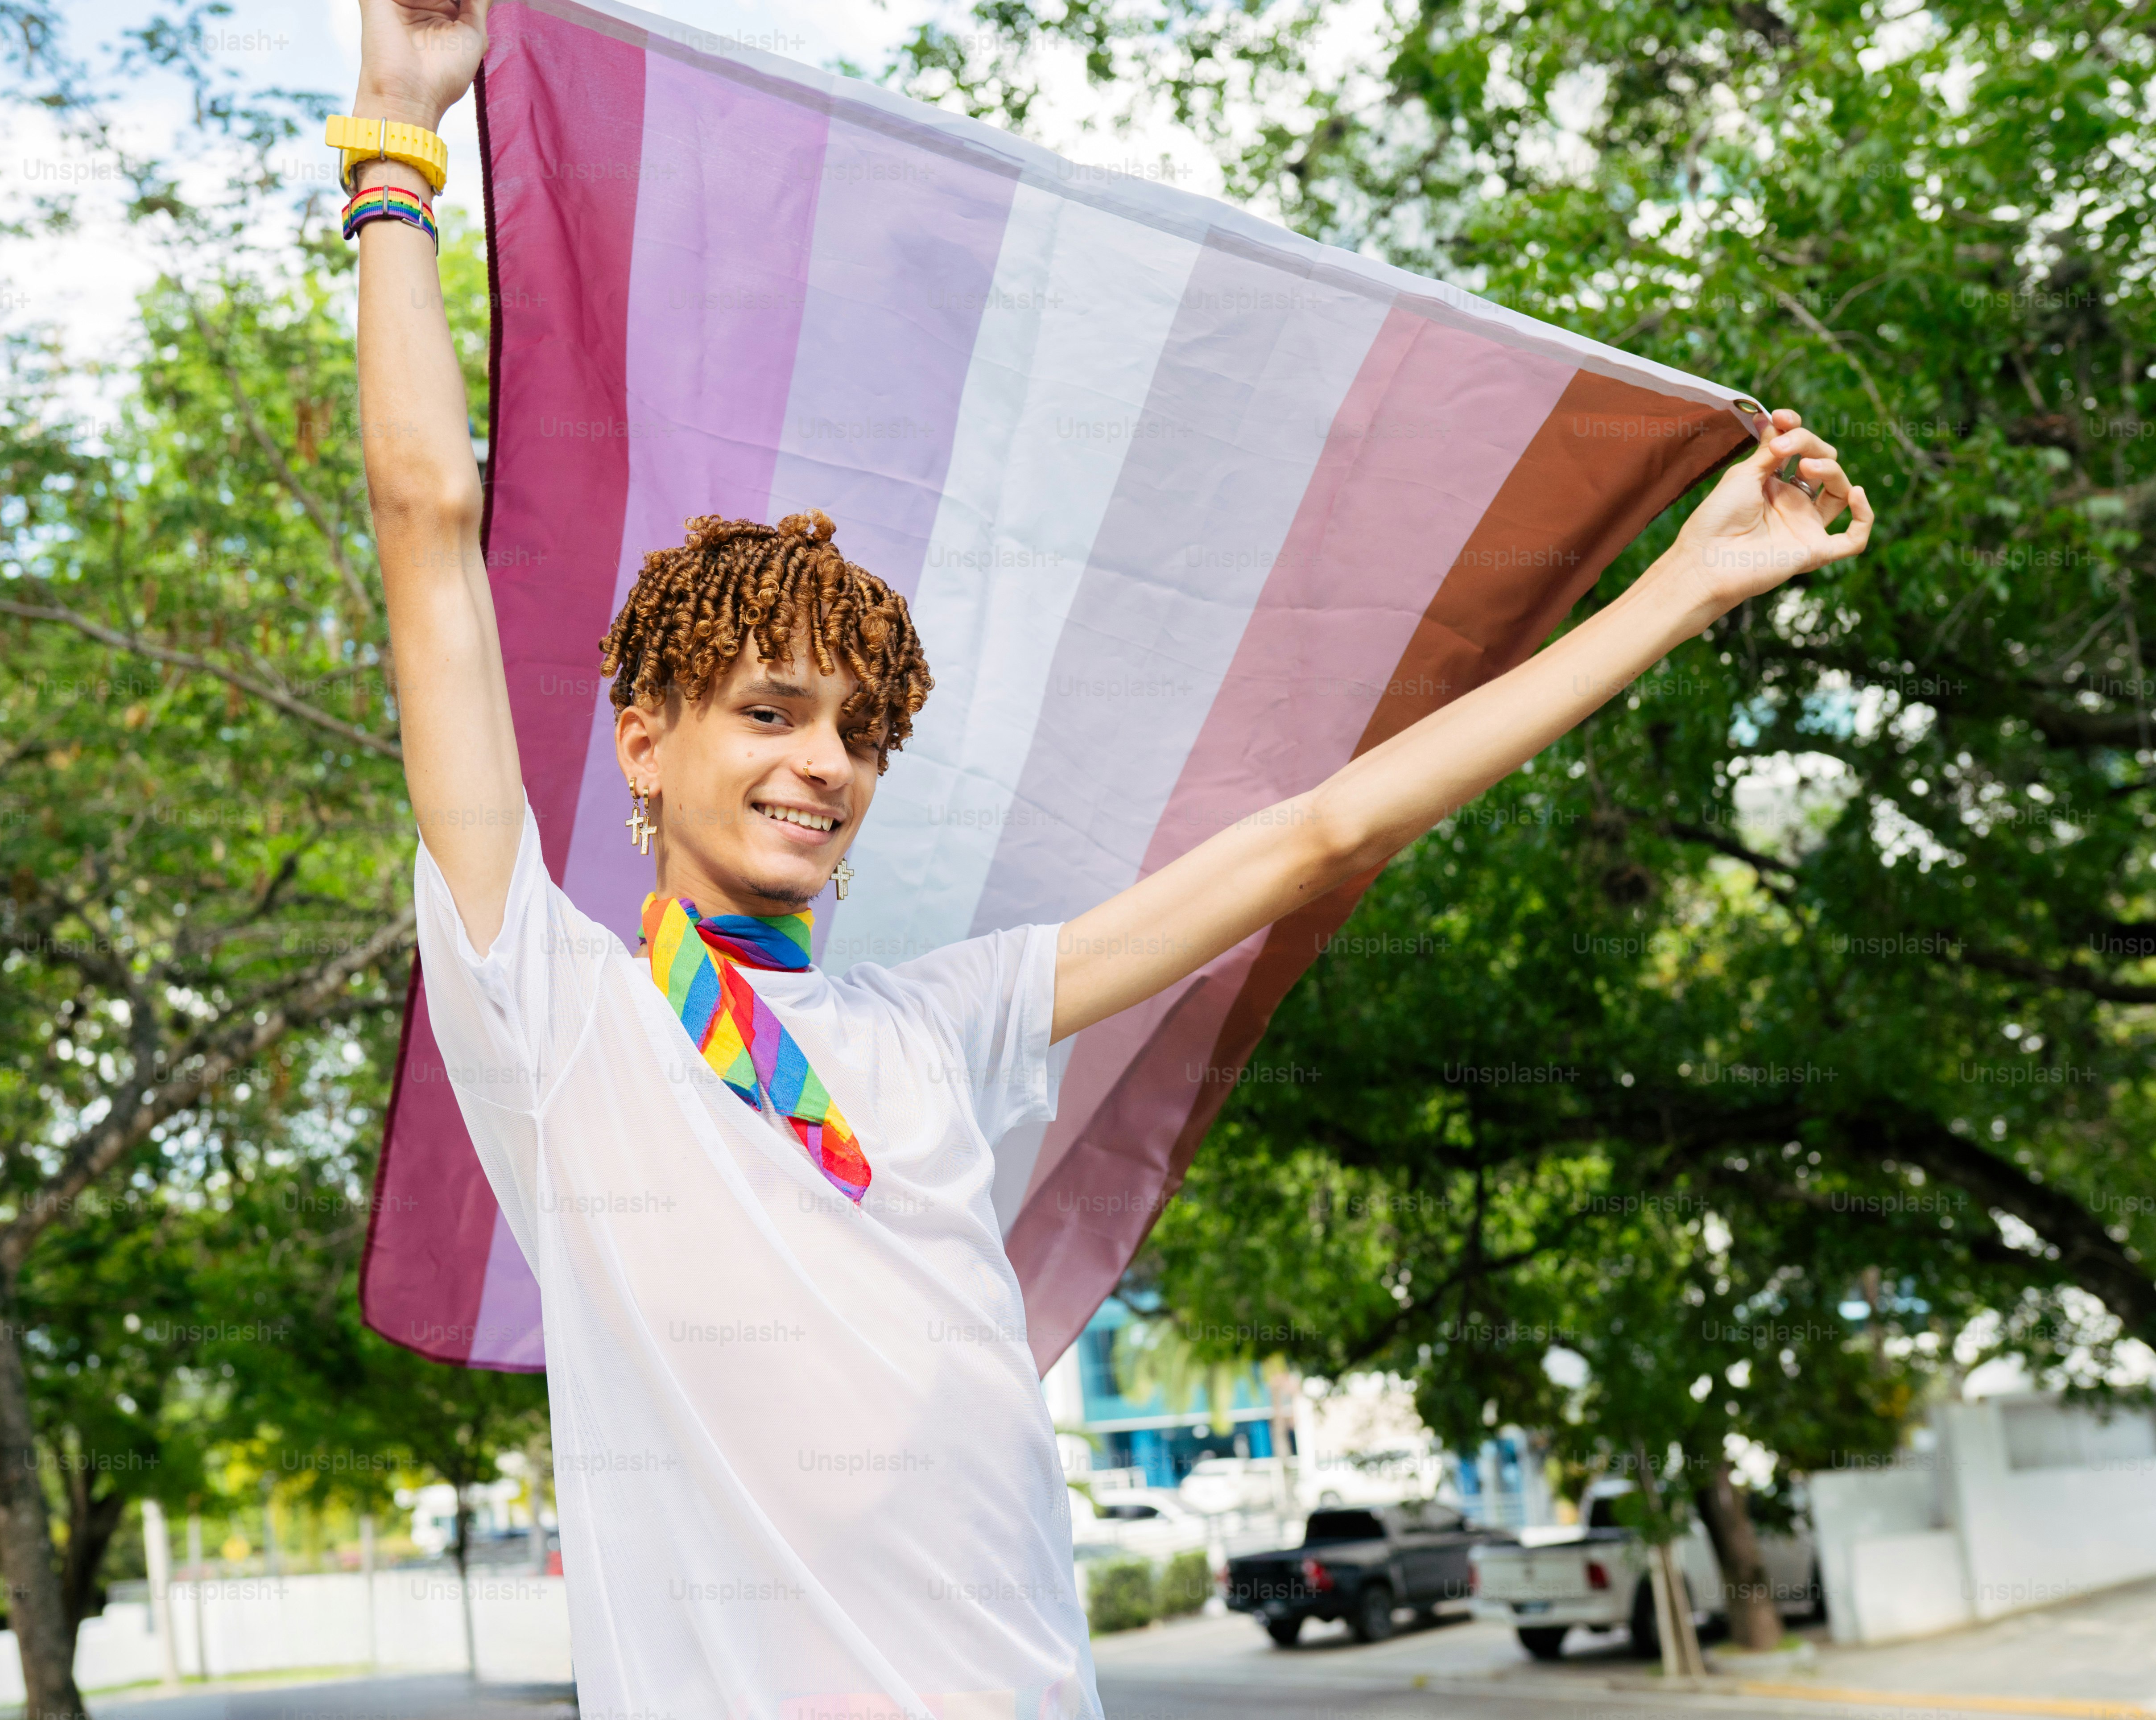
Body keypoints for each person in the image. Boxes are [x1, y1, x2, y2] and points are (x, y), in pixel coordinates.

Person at [343, 1, 1873, 1712]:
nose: (821, 764)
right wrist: (397, 140)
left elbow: (1322, 829)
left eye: (858, 731)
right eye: (769, 712)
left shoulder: (942, 1022)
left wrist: (1687, 586)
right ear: (642, 740)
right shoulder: (551, 1012)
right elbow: (427, 524)